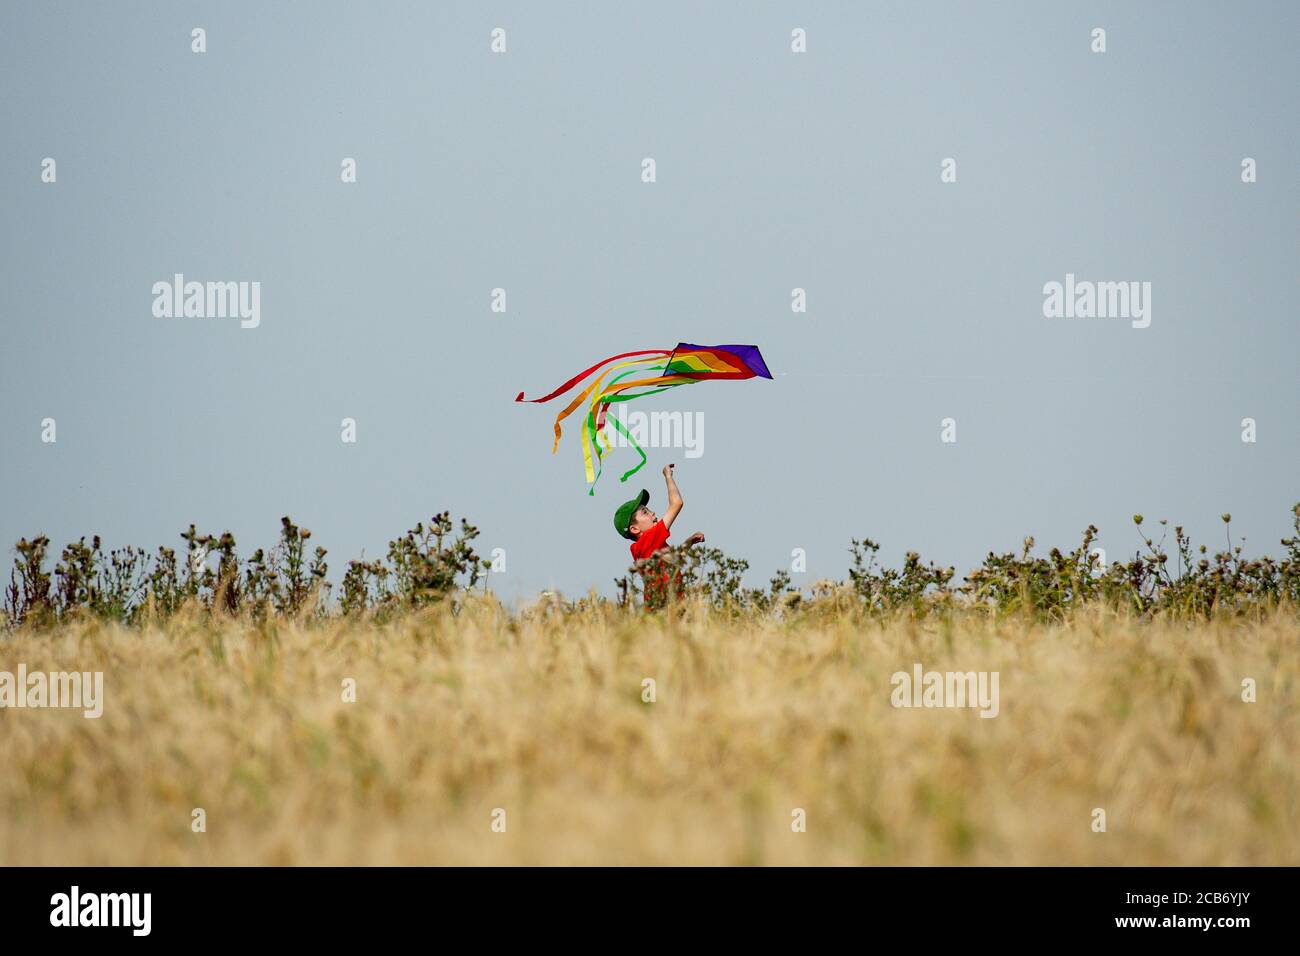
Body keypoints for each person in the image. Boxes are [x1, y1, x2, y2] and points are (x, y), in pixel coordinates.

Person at [613, 464, 705, 607]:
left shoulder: (646, 547)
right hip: (667, 609)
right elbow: (677, 503)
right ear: (634, 529)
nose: (653, 513)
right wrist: (668, 476)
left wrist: (689, 542)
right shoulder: (648, 540)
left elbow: (672, 560)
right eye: (645, 512)